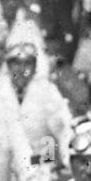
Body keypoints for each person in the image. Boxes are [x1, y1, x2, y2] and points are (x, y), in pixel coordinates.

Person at [5, 40, 72, 168]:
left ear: (35, 67)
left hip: (40, 165)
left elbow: (64, 130)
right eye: (16, 63)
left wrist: (68, 162)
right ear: (8, 66)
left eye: (27, 63)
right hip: (6, 168)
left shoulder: (47, 91)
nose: (21, 69)